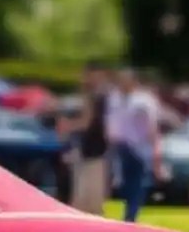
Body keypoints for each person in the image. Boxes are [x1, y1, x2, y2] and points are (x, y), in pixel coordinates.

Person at [111, 68, 161, 222]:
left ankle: (131, 214)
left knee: (137, 183)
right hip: (120, 146)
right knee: (124, 184)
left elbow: (151, 126)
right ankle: (129, 212)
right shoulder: (115, 99)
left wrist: (155, 149)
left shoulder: (143, 101)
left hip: (138, 147)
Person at [69, 61, 112, 215]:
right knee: (89, 197)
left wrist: (67, 126)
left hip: (95, 151)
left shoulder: (95, 96)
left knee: (88, 198)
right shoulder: (101, 95)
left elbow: (86, 122)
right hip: (92, 150)